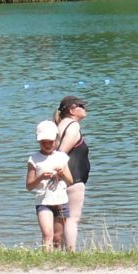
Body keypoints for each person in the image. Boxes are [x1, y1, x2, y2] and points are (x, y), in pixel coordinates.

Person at [27, 120, 73, 252]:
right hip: (43, 201)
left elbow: (70, 181)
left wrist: (62, 173)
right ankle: (45, 260)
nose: (47, 145)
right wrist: (41, 177)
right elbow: (29, 186)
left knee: (58, 237)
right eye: (43, 142)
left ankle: (56, 260)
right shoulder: (34, 159)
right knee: (47, 234)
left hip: (61, 201)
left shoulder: (62, 157)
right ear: (39, 142)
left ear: (56, 140)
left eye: (50, 142)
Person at [53, 95, 90, 252]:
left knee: (61, 219)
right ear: (71, 110)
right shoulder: (73, 126)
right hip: (72, 178)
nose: (84, 108)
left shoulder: (60, 125)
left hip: (62, 179)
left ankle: (57, 250)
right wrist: (64, 176)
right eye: (81, 106)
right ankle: (71, 252)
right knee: (72, 219)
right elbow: (61, 153)